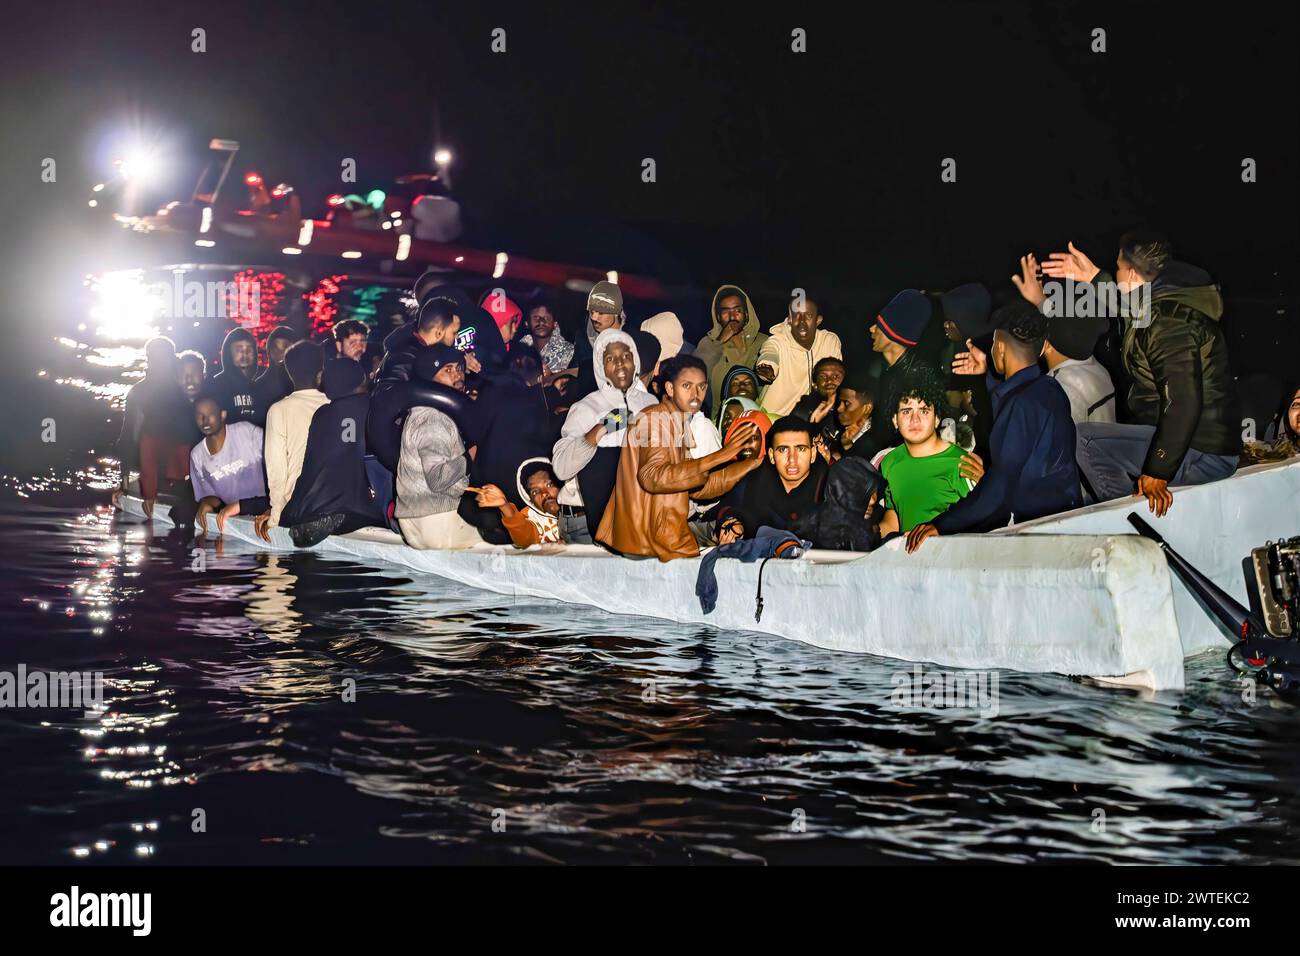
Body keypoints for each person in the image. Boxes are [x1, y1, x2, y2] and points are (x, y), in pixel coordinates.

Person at [1042, 233, 1240, 515]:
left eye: (1118, 268)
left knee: (1083, 440)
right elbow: (1130, 308)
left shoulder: (1168, 323)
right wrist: (1093, 277)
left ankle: (1127, 521)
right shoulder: (1161, 303)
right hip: (1193, 442)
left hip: (1203, 453)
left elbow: (1182, 401)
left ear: (1133, 276)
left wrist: (1158, 469)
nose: (1116, 273)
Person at [907, 302, 1080, 552]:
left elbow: (999, 487)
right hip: (1065, 519)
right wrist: (987, 374)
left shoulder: (1022, 404)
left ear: (998, 346)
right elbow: (1016, 402)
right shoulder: (1050, 389)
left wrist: (942, 524)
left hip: (1038, 531)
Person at [597, 355, 762, 561]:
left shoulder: (677, 423)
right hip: (648, 541)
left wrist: (751, 464)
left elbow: (699, 487)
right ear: (669, 388)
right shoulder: (656, 419)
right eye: (687, 385)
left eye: (701, 387)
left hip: (658, 540)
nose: (696, 394)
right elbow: (653, 477)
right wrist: (721, 455)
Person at [551, 328, 657, 543]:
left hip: (637, 518)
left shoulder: (652, 405)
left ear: (635, 360)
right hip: (584, 523)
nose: (620, 363)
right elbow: (561, 468)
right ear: (601, 367)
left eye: (626, 356)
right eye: (610, 358)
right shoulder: (586, 407)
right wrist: (601, 429)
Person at [456, 343, 560, 544]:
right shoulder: (543, 399)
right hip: (525, 513)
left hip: (484, 509)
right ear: (539, 376)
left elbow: (471, 431)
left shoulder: (489, 392)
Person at [279, 357, 384, 546]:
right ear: (358, 378)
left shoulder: (322, 414)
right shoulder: (371, 406)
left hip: (306, 506)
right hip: (348, 507)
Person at [393, 346, 482, 550]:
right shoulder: (433, 418)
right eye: (447, 370)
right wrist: (470, 457)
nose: (458, 375)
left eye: (459, 368)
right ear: (429, 379)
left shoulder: (425, 411)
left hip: (421, 520)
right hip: (438, 521)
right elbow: (438, 478)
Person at [1010, 254, 1116, 424]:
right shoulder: (1096, 368)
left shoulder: (1059, 388)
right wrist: (1040, 300)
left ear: (1047, 343)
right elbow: (1070, 325)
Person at [875, 372, 976, 537]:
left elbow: (981, 519)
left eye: (924, 411)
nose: (915, 420)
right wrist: (868, 535)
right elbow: (894, 516)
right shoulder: (889, 462)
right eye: (907, 412)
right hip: (905, 558)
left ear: (937, 419)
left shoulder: (960, 463)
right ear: (895, 420)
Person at [849, 289, 940, 462]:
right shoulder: (889, 370)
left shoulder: (917, 376)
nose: (871, 329)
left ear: (893, 332)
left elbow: (908, 435)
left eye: (878, 325)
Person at [256, 341, 328, 541]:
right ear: (320, 372)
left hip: (296, 509)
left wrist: (276, 517)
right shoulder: (333, 404)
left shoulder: (279, 410)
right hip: (329, 506)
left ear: (289, 373)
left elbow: (276, 469)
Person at [133, 350, 206, 519]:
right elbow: (148, 449)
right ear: (175, 378)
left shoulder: (213, 405)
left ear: (204, 376)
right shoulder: (162, 409)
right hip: (173, 482)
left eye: (194, 374)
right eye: (183, 375)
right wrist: (149, 493)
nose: (189, 380)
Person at [188, 393, 267, 535]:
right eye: (199, 415)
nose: (204, 420)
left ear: (222, 415)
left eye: (210, 414)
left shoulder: (247, 432)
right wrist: (206, 502)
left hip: (265, 509)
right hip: (233, 520)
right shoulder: (197, 455)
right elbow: (211, 496)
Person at [755, 294, 843, 417]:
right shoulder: (779, 341)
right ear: (790, 319)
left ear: (818, 320)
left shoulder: (828, 341)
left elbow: (836, 378)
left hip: (810, 418)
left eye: (808, 316)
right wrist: (767, 367)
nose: (801, 322)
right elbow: (769, 353)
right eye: (796, 315)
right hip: (773, 418)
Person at [738, 416, 829, 532]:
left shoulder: (829, 489)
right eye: (783, 450)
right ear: (771, 455)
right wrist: (734, 522)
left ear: (813, 454)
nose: (792, 459)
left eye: (801, 449)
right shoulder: (754, 481)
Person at [115, 336, 176, 505]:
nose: (160, 363)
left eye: (164, 358)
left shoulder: (184, 388)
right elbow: (127, 440)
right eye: (155, 358)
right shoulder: (138, 393)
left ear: (172, 359)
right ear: (149, 360)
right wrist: (124, 482)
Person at [694, 284, 768, 411]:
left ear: (746, 314)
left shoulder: (764, 342)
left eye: (737, 311)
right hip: (721, 420)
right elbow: (695, 373)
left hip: (760, 418)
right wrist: (720, 340)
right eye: (725, 312)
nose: (732, 317)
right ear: (717, 317)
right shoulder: (708, 344)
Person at [474, 458, 567, 548]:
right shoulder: (532, 518)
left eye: (549, 485)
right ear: (530, 501)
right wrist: (505, 506)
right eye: (535, 492)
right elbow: (525, 538)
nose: (544, 493)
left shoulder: (579, 503)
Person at [377, 296, 460, 385]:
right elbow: (391, 393)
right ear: (439, 333)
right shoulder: (405, 356)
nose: (457, 336)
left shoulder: (422, 350)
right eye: (454, 332)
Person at [568, 281, 626, 400]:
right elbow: (576, 370)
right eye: (592, 311)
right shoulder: (584, 337)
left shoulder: (631, 338)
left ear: (616, 312)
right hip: (588, 404)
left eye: (600, 312)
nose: (594, 317)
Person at [252, 325, 304, 421]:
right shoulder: (258, 386)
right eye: (275, 347)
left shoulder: (305, 383)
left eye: (285, 347)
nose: (279, 352)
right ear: (269, 349)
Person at [210, 327, 261, 424]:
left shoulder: (260, 388)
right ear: (228, 353)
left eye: (249, 349)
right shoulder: (215, 386)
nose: (244, 353)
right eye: (239, 349)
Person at [793, 356, 847, 446]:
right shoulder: (804, 408)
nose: (829, 380)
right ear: (815, 385)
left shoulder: (854, 407)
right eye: (823, 376)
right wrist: (814, 424)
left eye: (836, 376)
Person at [519, 296, 575, 384]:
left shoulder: (569, 350)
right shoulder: (520, 349)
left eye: (546, 318)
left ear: (555, 324)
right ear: (527, 323)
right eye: (536, 318)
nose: (541, 322)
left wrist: (552, 377)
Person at [835, 372, 874, 452]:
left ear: (867, 408)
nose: (839, 408)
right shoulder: (838, 433)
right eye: (839, 402)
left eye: (847, 403)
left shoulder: (875, 440)